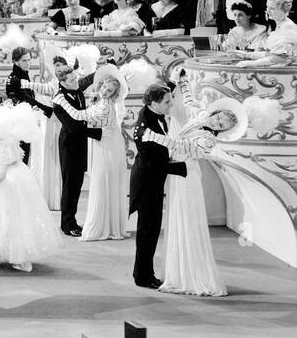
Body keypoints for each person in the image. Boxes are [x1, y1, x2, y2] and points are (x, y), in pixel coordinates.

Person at [160, 100, 238, 297]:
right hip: (177, 173)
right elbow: (189, 102)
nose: (216, 122)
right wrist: (183, 82)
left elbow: (187, 147)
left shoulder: (208, 139)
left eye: (221, 125)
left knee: (186, 220)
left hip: (187, 176)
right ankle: (177, 272)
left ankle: (190, 276)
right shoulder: (202, 117)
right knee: (177, 218)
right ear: (215, 112)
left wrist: (157, 138)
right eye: (218, 117)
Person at [129, 83, 187, 289]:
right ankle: (143, 276)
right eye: (167, 102)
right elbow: (152, 163)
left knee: (151, 230)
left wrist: (173, 82)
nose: (171, 105)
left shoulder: (153, 113)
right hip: (147, 184)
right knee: (147, 232)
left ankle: (144, 273)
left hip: (153, 181)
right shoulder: (145, 127)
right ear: (153, 103)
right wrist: (180, 167)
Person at [53, 61, 104, 237]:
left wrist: (103, 68)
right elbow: (73, 127)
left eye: (76, 79)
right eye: (73, 81)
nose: (76, 82)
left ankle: (72, 221)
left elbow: (89, 79)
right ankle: (67, 224)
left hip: (80, 143)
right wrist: (97, 133)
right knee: (70, 186)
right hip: (69, 145)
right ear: (62, 82)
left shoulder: (76, 87)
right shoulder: (59, 101)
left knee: (78, 183)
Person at [80, 65, 130, 241]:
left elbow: (82, 116)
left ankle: (104, 226)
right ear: (100, 85)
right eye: (104, 88)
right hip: (104, 141)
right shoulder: (100, 101)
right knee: (103, 180)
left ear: (115, 93)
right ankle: (109, 224)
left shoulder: (106, 106)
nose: (106, 91)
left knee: (104, 180)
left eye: (110, 90)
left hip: (109, 144)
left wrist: (62, 104)